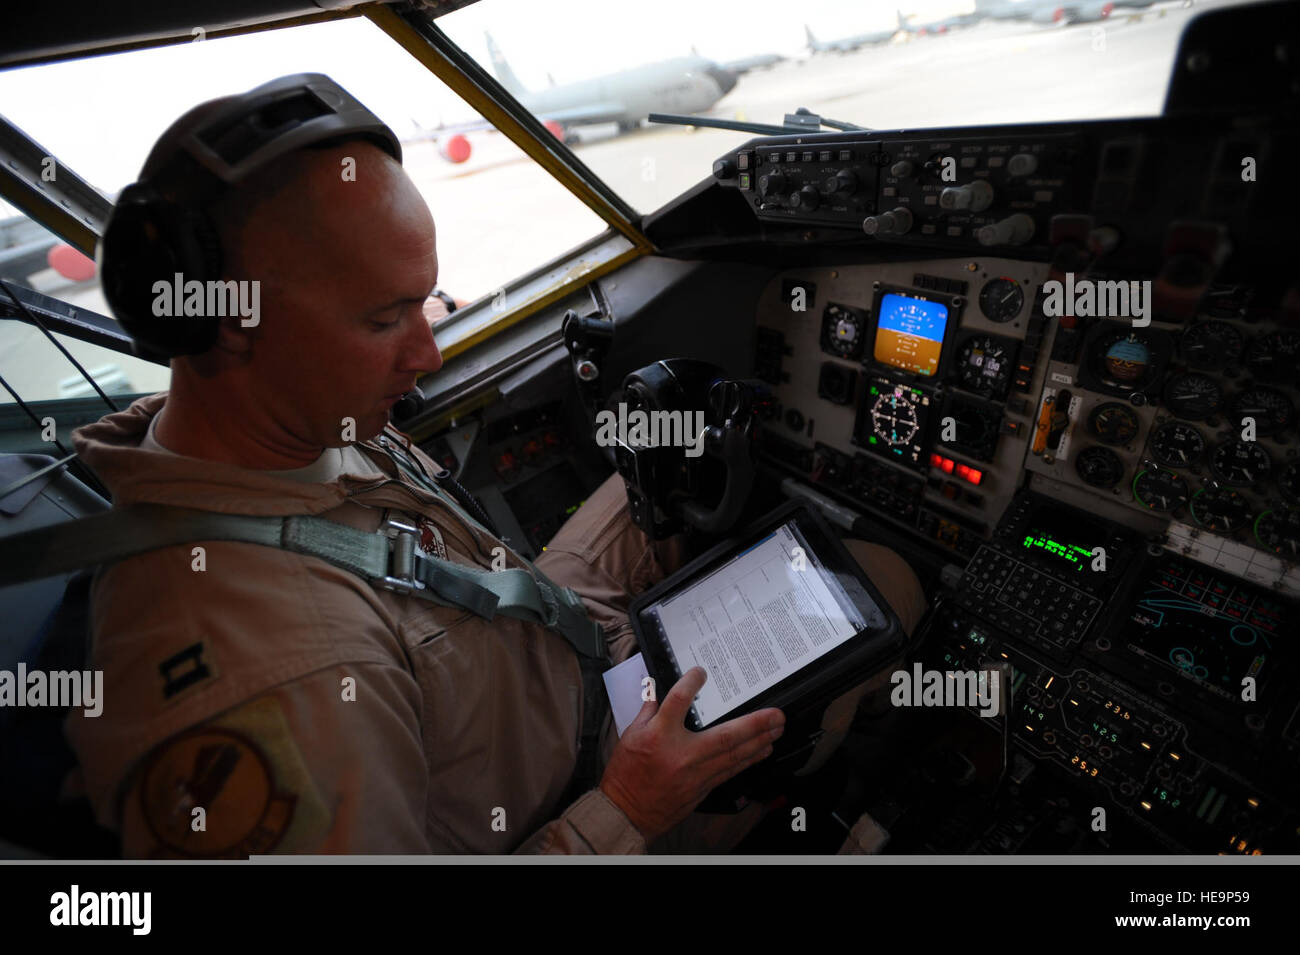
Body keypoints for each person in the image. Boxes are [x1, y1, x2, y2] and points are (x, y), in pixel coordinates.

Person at [65, 77, 927, 856]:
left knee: (681, 458)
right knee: (880, 581)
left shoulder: (259, 420)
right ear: (226, 324)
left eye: (425, 302)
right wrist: (627, 806)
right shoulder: (289, 681)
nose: (429, 352)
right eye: (384, 320)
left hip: (533, 633)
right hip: (584, 782)